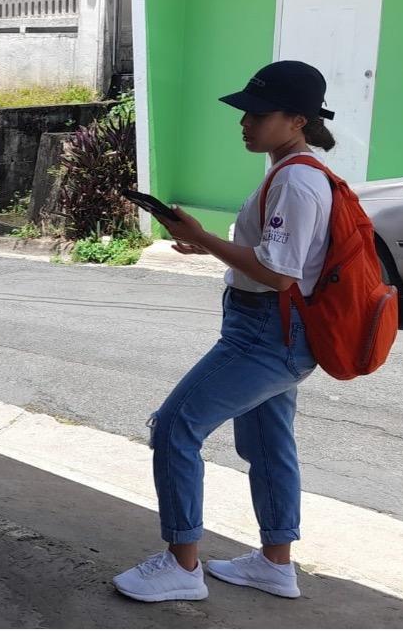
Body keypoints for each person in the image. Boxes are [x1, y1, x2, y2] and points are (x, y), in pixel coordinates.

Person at [114, 60, 338, 603]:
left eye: (259, 114)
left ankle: (182, 565)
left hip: (266, 334)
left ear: (298, 120)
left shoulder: (298, 182)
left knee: (174, 428)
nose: (246, 122)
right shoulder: (289, 172)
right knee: (267, 443)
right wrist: (208, 241)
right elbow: (271, 257)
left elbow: (281, 275)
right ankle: (274, 564)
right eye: (244, 112)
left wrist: (206, 240)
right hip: (276, 330)